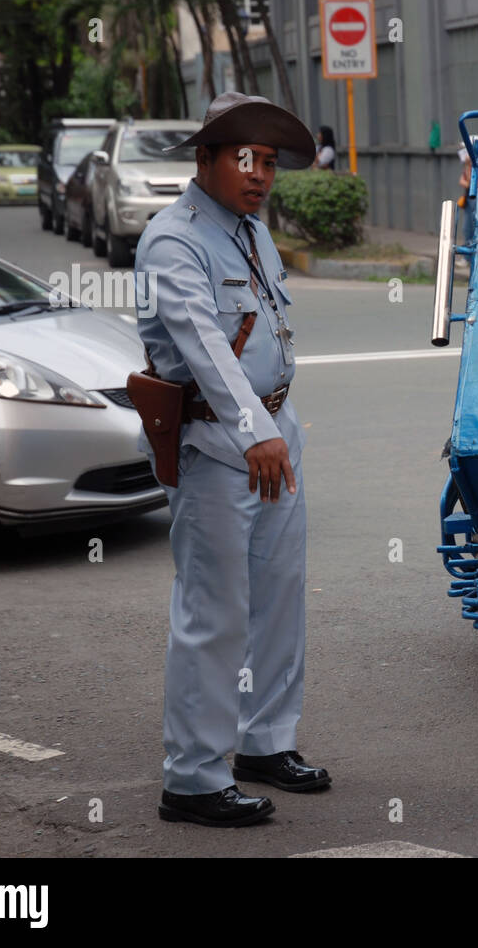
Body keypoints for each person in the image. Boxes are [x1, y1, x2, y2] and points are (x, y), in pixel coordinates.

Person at [136, 92, 329, 828]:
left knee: (280, 596)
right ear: (207, 159)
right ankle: (191, 777)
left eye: (270, 162)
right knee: (214, 612)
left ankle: (264, 741)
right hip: (221, 444)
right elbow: (203, 349)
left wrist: (275, 426)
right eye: (245, 159)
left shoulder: (251, 232)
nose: (259, 175)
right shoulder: (172, 241)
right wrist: (257, 431)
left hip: (273, 434)